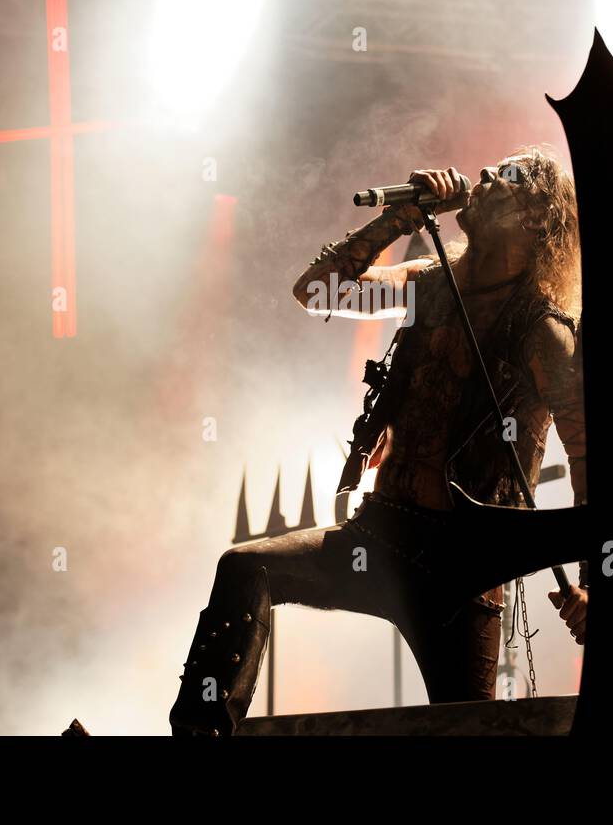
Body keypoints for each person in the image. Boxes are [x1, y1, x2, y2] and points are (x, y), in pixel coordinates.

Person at [169, 146, 590, 736]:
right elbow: (317, 291)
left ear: (533, 217)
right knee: (246, 567)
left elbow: (591, 457)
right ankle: (201, 734)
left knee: (466, 728)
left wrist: (594, 584)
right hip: (381, 534)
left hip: (466, 565)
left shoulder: (544, 332)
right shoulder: (429, 286)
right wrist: (401, 218)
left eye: (508, 175)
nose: (487, 172)